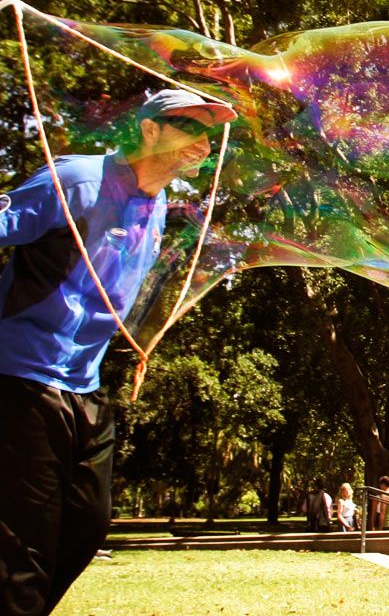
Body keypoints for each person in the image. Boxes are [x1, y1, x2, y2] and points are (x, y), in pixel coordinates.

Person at [0, 89, 236, 614]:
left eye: (208, 134)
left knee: (86, 525)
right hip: (21, 376)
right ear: (149, 129)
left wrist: (139, 344)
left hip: (84, 386)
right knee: (24, 543)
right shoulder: (76, 179)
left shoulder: (158, 207)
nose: (203, 144)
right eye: (189, 127)